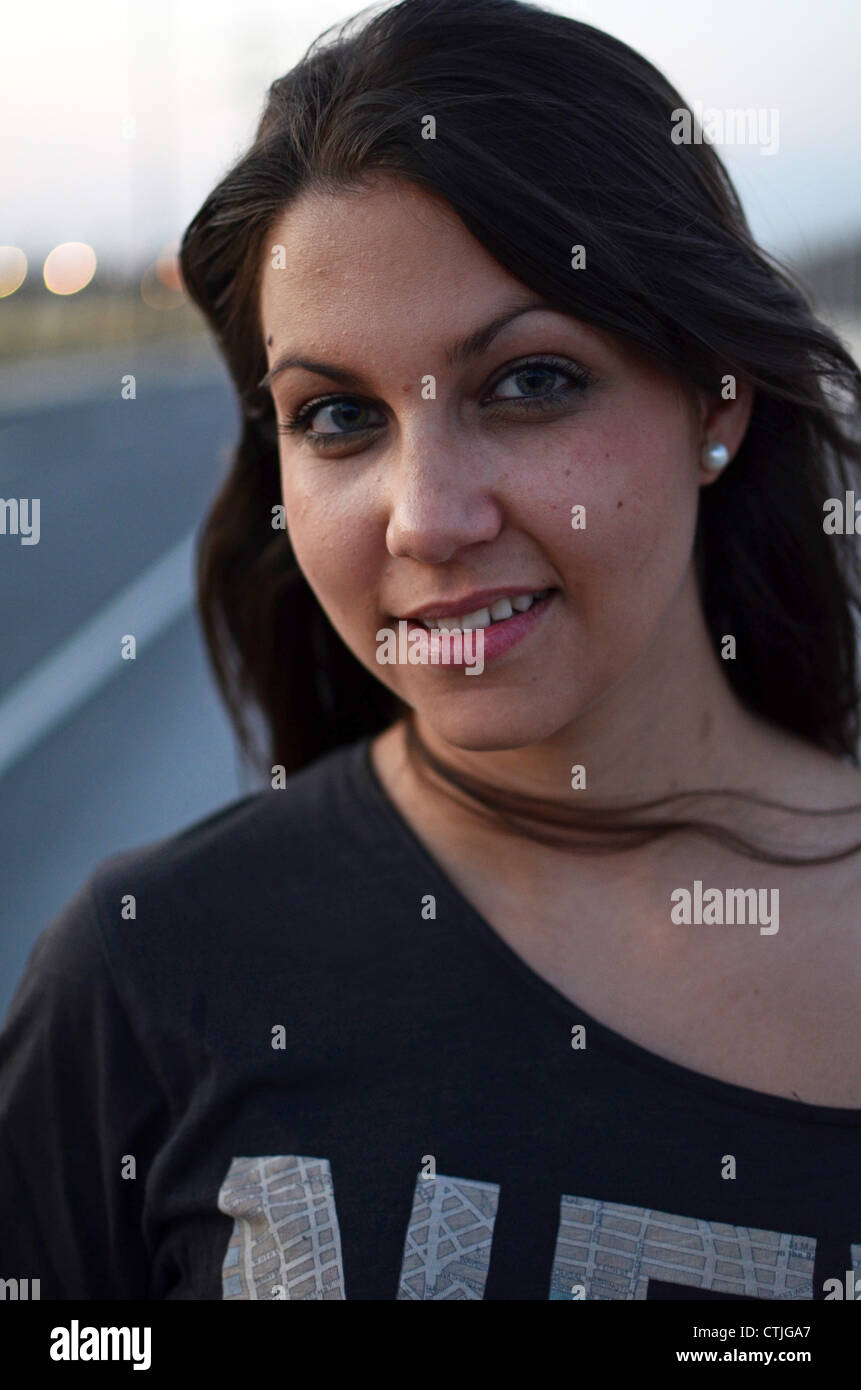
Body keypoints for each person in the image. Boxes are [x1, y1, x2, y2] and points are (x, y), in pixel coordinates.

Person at [2, 0, 860, 1302]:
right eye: (336, 414)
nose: (425, 515)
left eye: (527, 383)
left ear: (715, 402)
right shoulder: (147, 972)